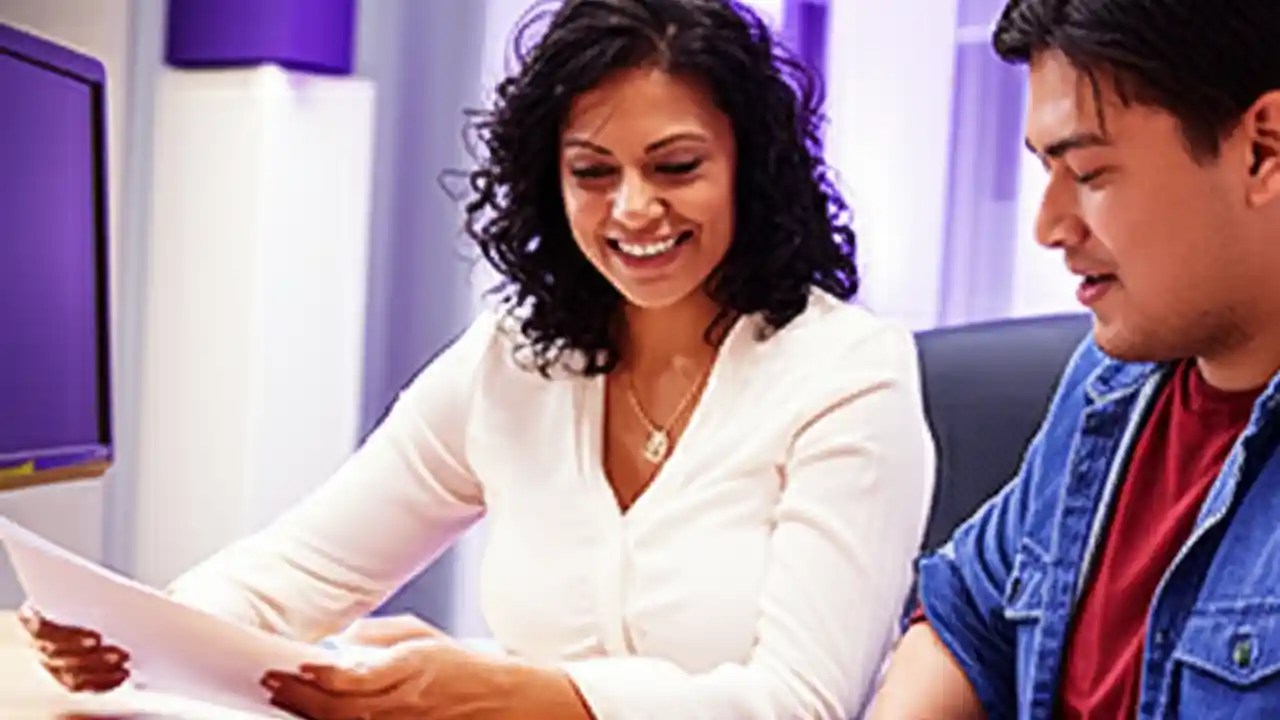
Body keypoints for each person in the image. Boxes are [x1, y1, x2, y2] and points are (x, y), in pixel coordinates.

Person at [23, 1, 935, 717]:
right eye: (592, 171)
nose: (631, 210)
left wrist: (506, 694)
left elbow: (799, 705)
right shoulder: (514, 360)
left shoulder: (849, 376)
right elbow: (297, 573)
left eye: (675, 166)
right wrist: (137, 635)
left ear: (752, 169)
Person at [868, 0, 1280, 718]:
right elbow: (967, 614)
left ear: (1263, 150)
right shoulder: (1109, 379)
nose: (1049, 226)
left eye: (1088, 173)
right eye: (1044, 170)